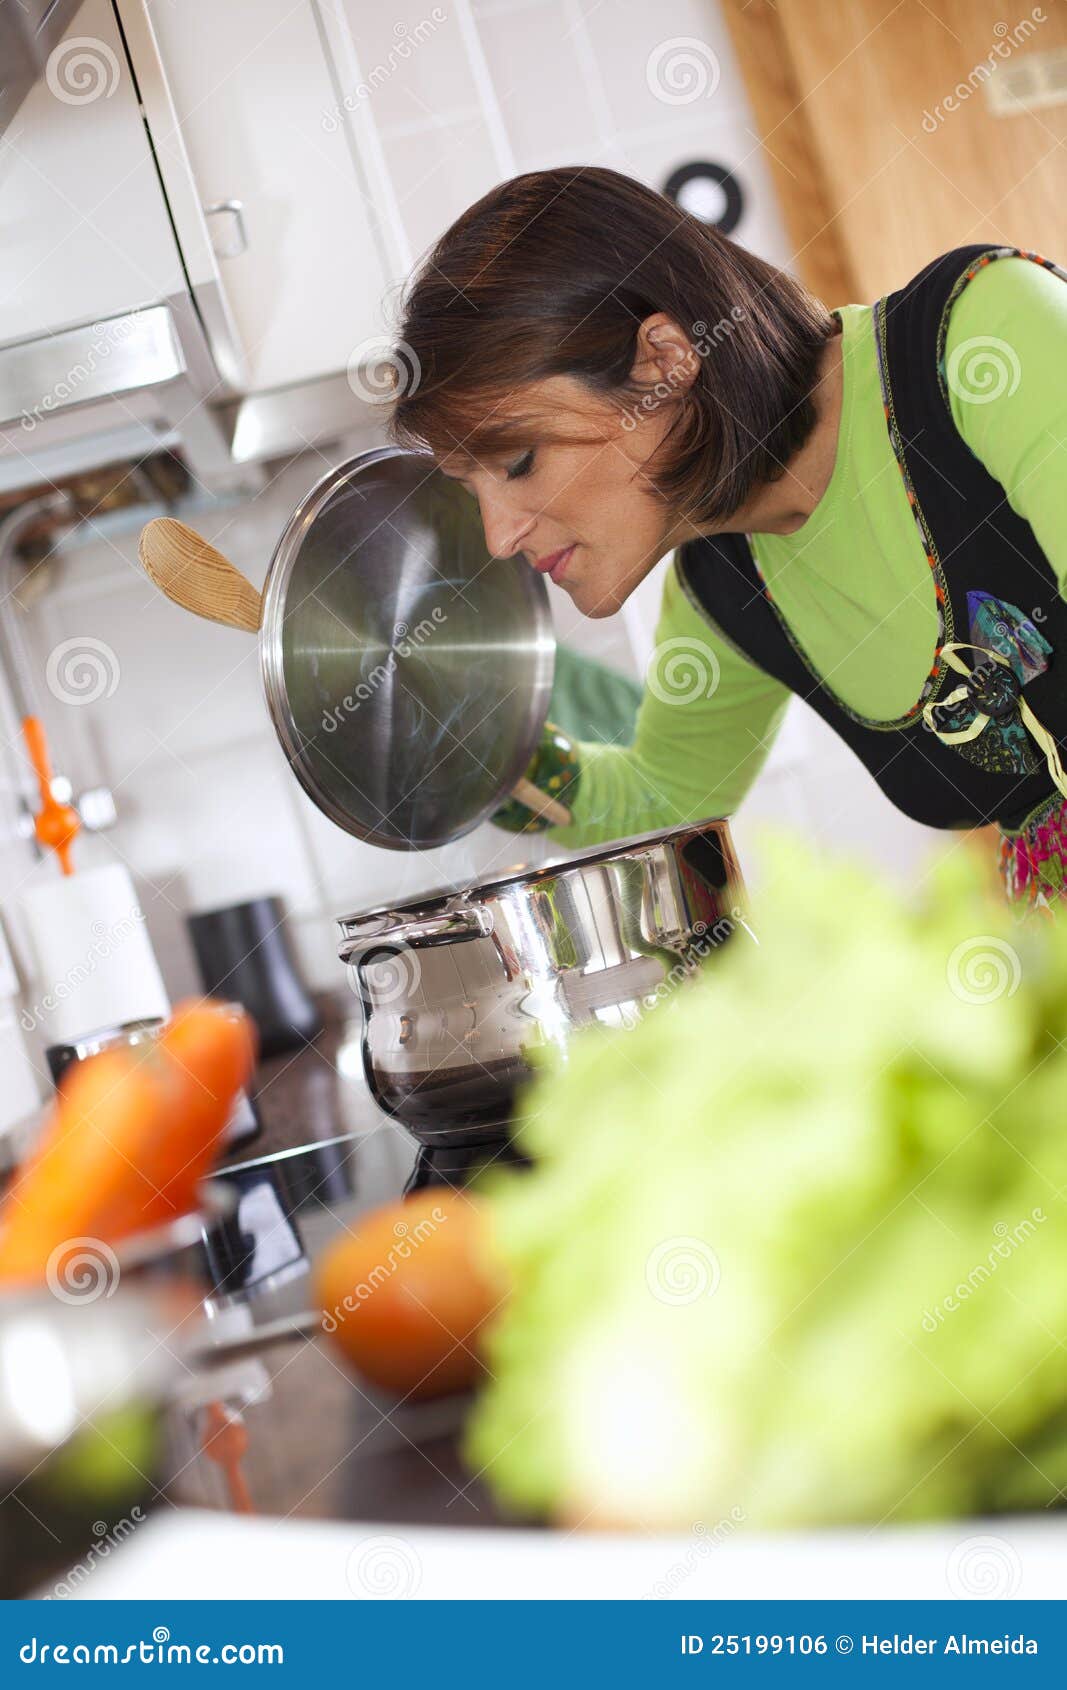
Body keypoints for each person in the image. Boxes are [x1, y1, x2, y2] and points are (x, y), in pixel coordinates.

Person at [389, 166, 1067, 915]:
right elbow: (660, 798)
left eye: (518, 462)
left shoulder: (981, 334)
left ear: (664, 360)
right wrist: (461, 735)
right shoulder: (726, 587)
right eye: (469, 489)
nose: (497, 534)